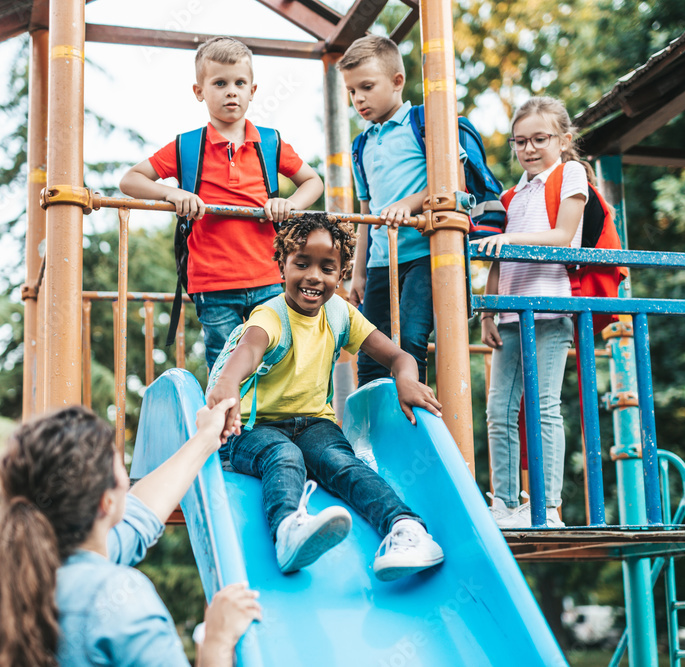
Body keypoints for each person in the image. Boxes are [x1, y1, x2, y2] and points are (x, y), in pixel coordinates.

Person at [206, 212, 445, 581]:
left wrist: (407, 377)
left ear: (342, 273)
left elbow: (398, 356)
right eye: (301, 263)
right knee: (282, 455)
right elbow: (250, 350)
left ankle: (406, 528)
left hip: (314, 424)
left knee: (341, 462)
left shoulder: (339, 314)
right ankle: (287, 530)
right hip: (254, 428)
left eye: (327, 267)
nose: (314, 276)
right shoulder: (271, 315)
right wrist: (227, 384)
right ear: (282, 266)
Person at [0, 401, 261, 667]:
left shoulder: (21, 575)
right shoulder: (118, 594)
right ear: (107, 503)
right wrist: (216, 645)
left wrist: (205, 439)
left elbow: (141, 514)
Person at [119, 36, 324, 369]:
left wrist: (289, 203)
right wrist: (173, 193)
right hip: (213, 284)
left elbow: (312, 181)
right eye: (220, 83)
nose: (232, 91)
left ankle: (268, 422)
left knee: (276, 360)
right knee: (224, 364)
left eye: (240, 83)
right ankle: (228, 420)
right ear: (199, 91)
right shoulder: (187, 146)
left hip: (269, 278)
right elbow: (130, 180)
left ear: (252, 91)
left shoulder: (270, 142)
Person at [476, 96, 592, 529]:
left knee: (543, 408)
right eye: (519, 142)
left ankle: (547, 506)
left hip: (550, 308)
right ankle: (504, 504)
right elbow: (496, 260)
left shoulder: (570, 173)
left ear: (563, 139)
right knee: (498, 412)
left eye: (539, 139)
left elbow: (565, 236)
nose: (528, 149)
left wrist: (509, 240)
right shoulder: (512, 194)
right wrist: (487, 313)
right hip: (510, 314)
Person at [338, 35, 447, 387]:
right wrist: (358, 272)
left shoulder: (424, 122)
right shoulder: (362, 145)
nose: (359, 99)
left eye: (367, 87)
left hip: (422, 255)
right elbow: (367, 211)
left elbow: (449, 183)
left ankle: (413, 427)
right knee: (369, 351)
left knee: (411, 340)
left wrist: (409, 203)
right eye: (352, 91)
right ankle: (374, 437)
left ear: (397, 81)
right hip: (380, 262)